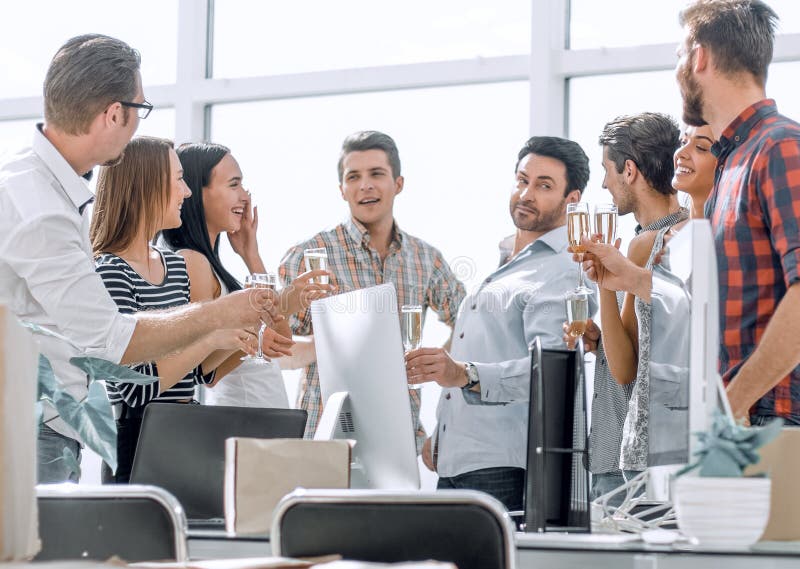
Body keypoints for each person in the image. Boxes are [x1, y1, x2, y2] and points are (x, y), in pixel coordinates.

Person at [0, 34, 272, 483]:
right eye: (139, 110)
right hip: (32, 433)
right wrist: (217, 313)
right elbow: (112, 343)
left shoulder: (32, 184)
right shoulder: (41, 209)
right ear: (113, 113)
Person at [405, 136, 596, 511]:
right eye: (522, 179)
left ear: (571, 200)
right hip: (458, 460)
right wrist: (444, 436)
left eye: (544, 186)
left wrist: (463, 374)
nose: (526, 193)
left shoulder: (563, 271)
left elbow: (552, 371)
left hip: (502, 467)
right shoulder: (505, 261)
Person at [279, 130, 466, 444]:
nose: (365, 185)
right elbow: (278, 352)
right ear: (342, 189)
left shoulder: (425, 259)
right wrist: (332, 348)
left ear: (398, 184)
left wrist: (436, 364)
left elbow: (467, 320)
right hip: (326, 437)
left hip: (400, 438)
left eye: (376, 174)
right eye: (354, 176)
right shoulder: (308, 256)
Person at [90, 136, 258, 482]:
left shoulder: (178, 268)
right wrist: (212, 336)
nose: (187, 192)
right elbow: (137, 387)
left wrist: (243, 333)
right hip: (136, 448)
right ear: (147, 186)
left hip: (185, 438)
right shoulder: (110, 271)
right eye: (178, 180)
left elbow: (194, 373)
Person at [677, 0, 800, 426]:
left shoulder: (780, 147)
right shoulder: (731, 165)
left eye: (680, 56)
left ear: (699, 57)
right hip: (741, 421)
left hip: (773, 422)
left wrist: (734, 402)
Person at [162, 143, 329, 407]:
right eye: (234, 184)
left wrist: (251, 255)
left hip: (260, 420)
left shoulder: (214, 266)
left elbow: (280, 340)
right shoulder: (192, 261)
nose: (245, 196)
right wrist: (282, 304)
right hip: (242, 422)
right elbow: (207, 370)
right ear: (197, 193)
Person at [591, 113, 684, 480]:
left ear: (629, 170)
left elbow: (624, 368)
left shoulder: (645, 244)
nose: (603, 183)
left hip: (630, 454)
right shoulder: (691, 232)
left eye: (607, 170)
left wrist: (601, 282)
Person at [673, 125, 717, 220]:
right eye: (683, 142)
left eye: (700, 147)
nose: (680, 153)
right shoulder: (667, 233)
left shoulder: (735, 232)